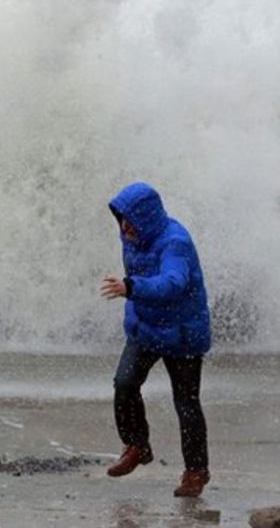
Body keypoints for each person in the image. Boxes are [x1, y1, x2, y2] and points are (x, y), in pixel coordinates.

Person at [100, 182, 212, 498]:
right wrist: (132, 292)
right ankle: (136, 445)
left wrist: (130, 287)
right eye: (120, 218)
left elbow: (173, 283)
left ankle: (196, 471)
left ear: (146, 217)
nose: (124, 226)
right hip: (147, 327)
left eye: (129, 219)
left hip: (183, 333)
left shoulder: (175, 242)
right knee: (124, 383)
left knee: (187, 404)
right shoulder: (132, 237)